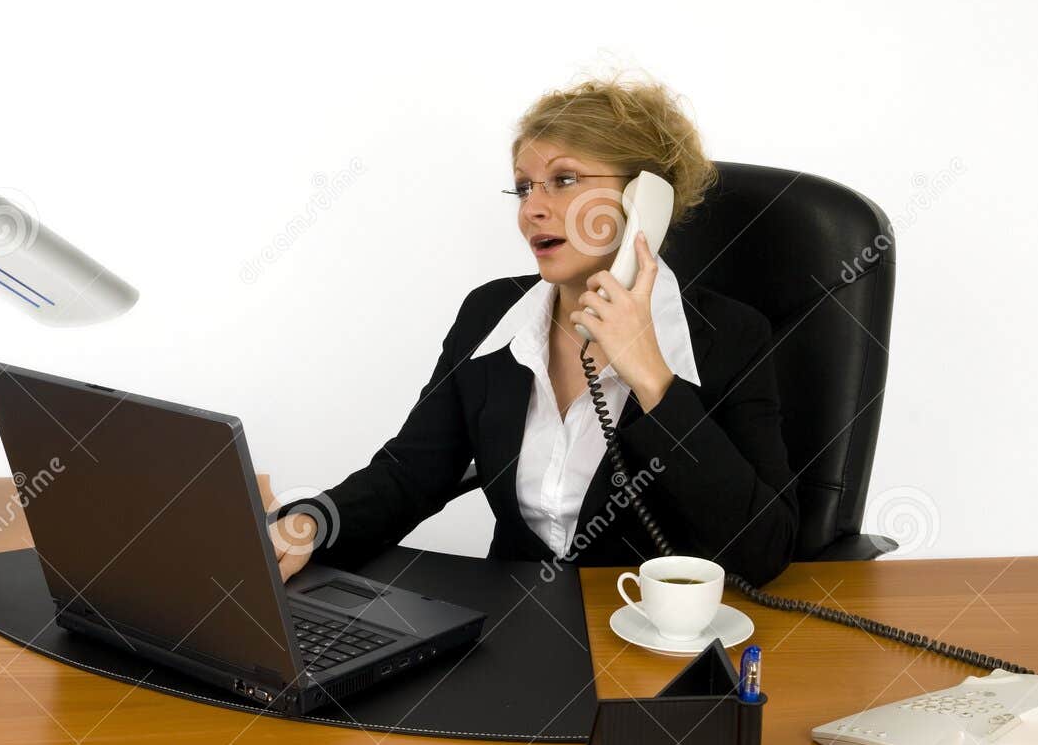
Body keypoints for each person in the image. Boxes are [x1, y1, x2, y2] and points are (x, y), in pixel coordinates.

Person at [271, 76, 798, 587]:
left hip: (654, 645)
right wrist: (310, 524)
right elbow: (410, 473)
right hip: (515, 627)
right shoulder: (491, 315)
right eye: (524, 188)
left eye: (564, 180)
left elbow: (764, 549)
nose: (532, 209)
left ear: (645, 201)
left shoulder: (727, 336)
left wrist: (654, 380)